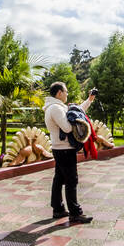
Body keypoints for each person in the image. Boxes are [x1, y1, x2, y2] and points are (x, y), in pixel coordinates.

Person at [47, 80, 91, 226]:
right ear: (59, 93)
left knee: (59, 178)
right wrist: (75, 120)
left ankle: (58, 209)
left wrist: (89, 100)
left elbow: (77, 111)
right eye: (66, 91)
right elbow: (66, 128)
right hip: (64, 149)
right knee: (71, 181)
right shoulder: (55, 108)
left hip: (60, 148)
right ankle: (75, 214)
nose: (67, 94)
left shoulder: (56, 107)